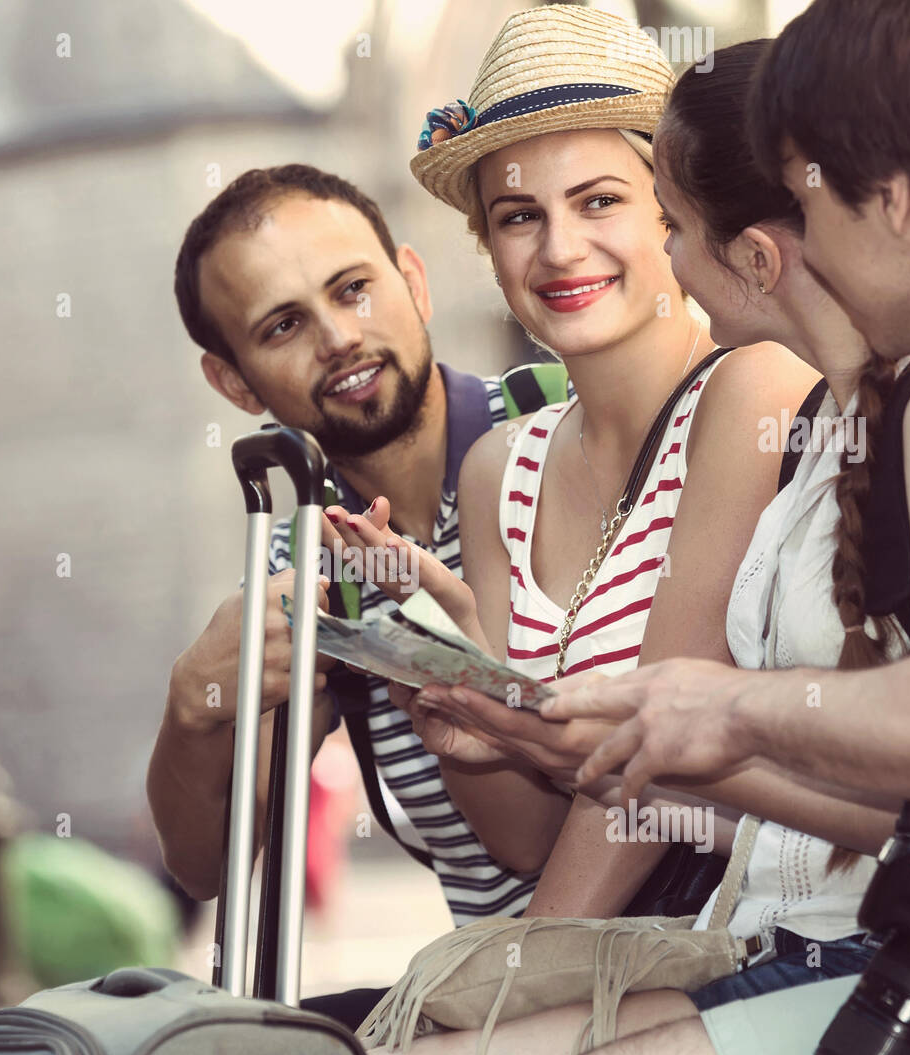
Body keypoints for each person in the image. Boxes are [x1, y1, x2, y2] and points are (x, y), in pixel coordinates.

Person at [367, 27, 910, 1055]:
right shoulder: (837, 424)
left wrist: (698, 728)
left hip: (886, 961)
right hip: (792, 942)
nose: (581, 247)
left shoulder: (877, 398)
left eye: (647, 216)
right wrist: (543, 728)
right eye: (518, 215)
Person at [323, 4, 813, 926]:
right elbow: (530, 838)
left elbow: (661, 754)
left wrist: (514, 980)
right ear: (488, 249)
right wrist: (453, 651)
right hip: (594, 936)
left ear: (672, 210)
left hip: (740, 936)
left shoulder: (754, 387)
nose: (558, 248)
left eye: (599, 200)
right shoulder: (498, 466)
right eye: (518, 216)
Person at [148, 163, 566, 974]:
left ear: (413, 281)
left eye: (353, 289)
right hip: (497, 994)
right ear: (233, 382)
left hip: (658, 958)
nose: (338, 338)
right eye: (282, 327)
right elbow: (205, 866)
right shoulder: (308, 559)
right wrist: (192, 701)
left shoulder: (560, 427)